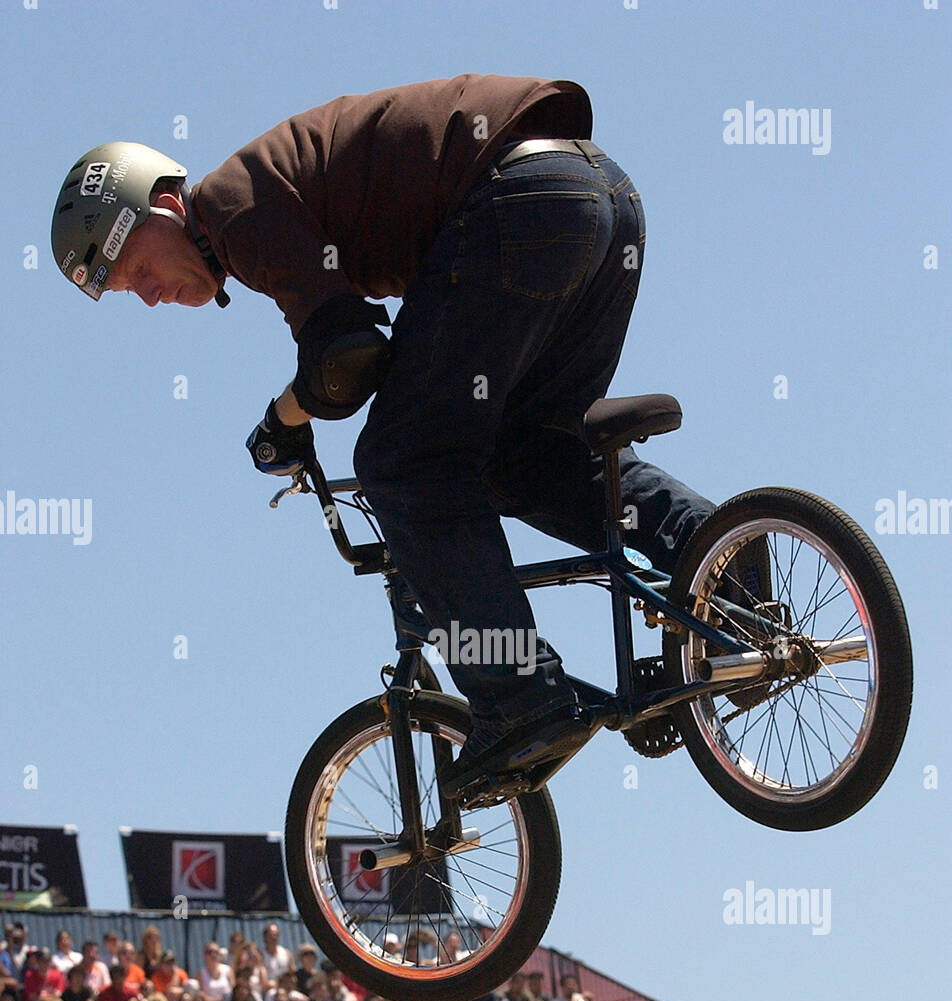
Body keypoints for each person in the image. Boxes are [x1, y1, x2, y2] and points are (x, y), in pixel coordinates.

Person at [51, 75, 716, 799]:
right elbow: (372, 355)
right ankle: (723, 563)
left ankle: (519, 691)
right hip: (602, 200)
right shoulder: (259, 208)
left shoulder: (235, 207)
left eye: (138, 265)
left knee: (400, 464)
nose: (149, 294)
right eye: (127, 290)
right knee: (527, 457)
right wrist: (301, 407)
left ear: (167, 202)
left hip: (523, 204)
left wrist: (282, 420)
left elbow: (350, 358)